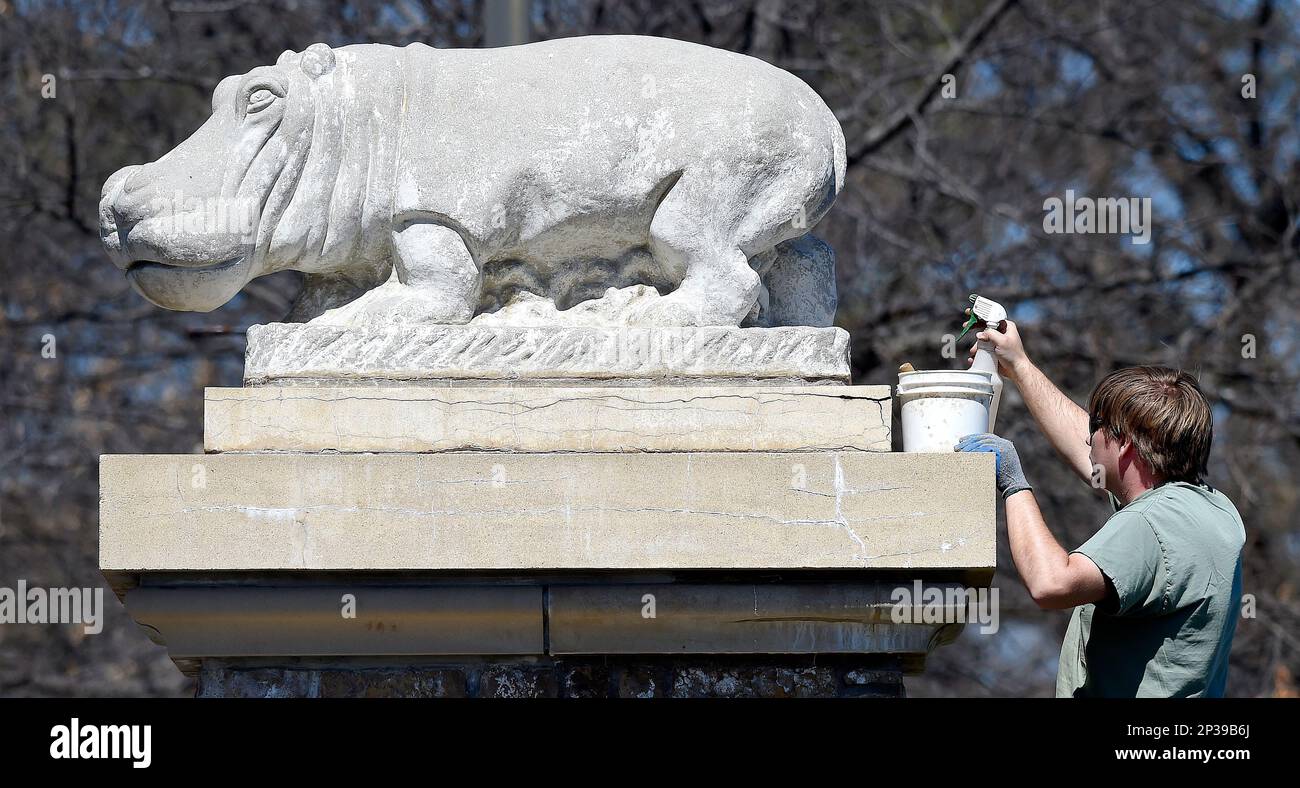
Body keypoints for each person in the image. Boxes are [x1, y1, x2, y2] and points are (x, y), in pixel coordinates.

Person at [954, 319, 1245, 697]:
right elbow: (1090, 451)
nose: (1089, 436)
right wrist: (1020, 365)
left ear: (1124, 445)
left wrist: (1013, 483)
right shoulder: (1212, 509)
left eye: (1098, 425)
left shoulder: (1149, 526)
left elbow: (1051, 583)